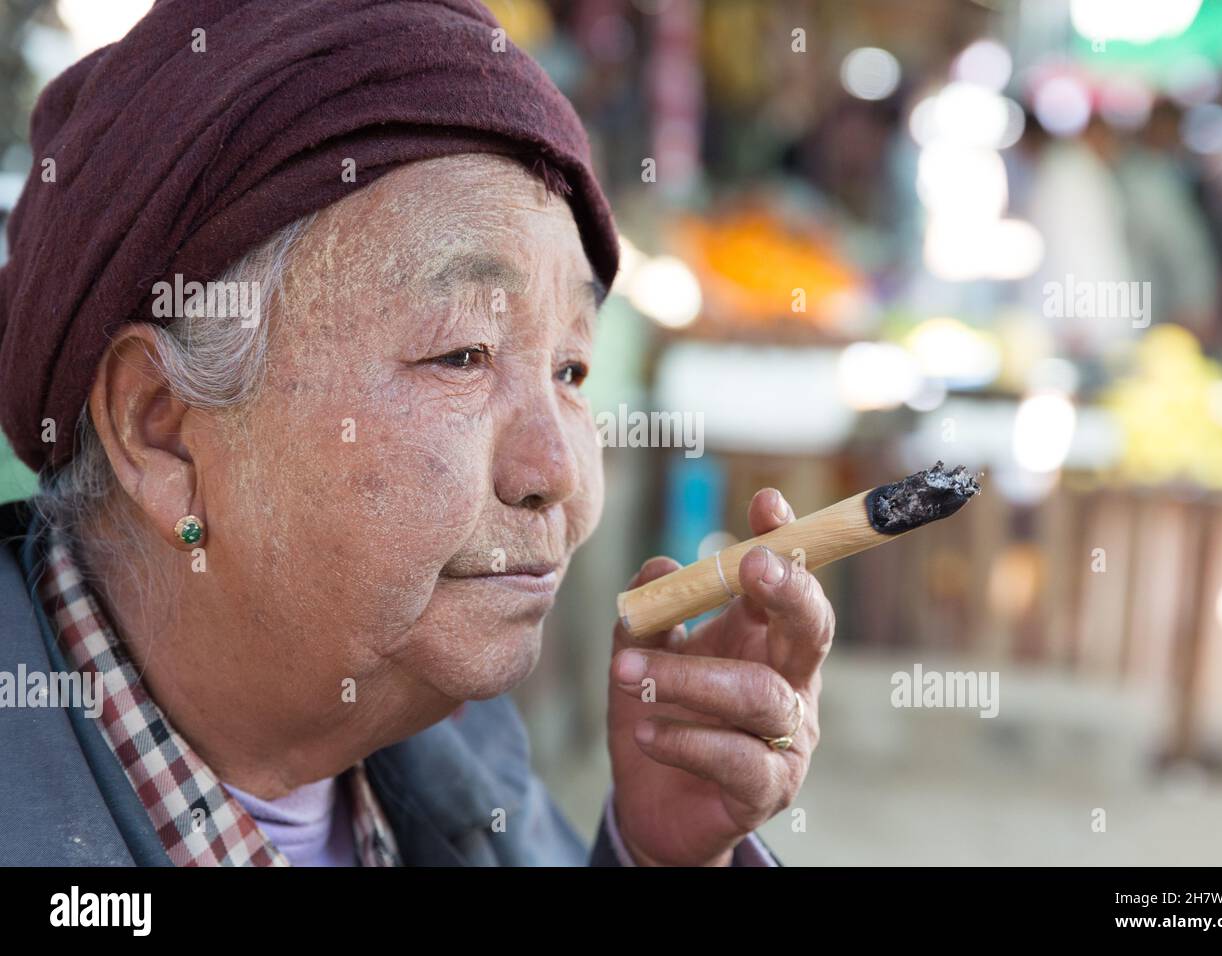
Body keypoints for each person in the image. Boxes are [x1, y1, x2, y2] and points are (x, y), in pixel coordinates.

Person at [0, 0, 832, 867]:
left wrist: (662, 855)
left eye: (572, 371)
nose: (556, 473)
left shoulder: (461, 765)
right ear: (161, 432)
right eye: (462, 355)